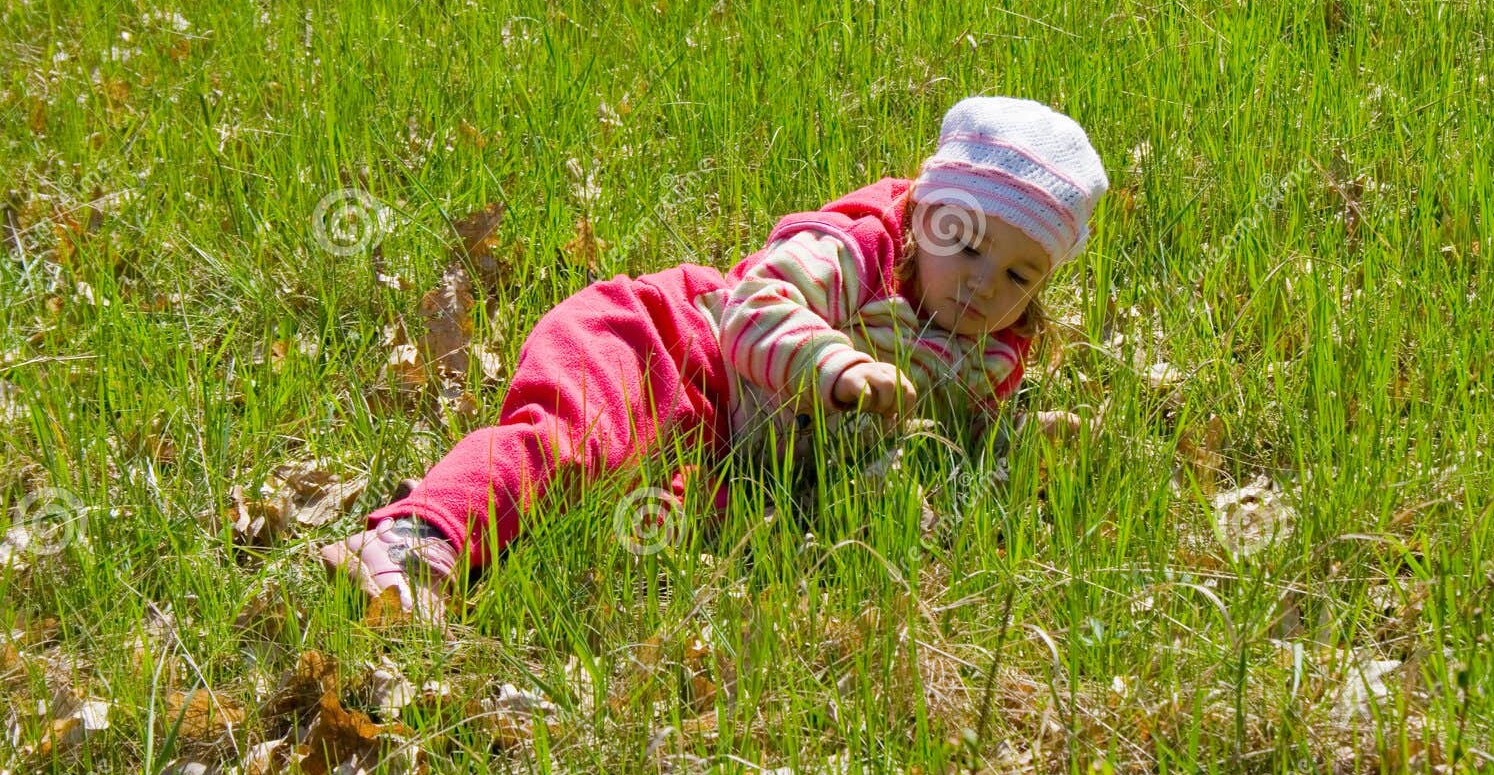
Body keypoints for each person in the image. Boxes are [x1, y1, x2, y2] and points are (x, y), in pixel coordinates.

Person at [319, 95, 1110, 624]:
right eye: (965, 245)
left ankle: (493, 543)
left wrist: (1011, 443)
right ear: (925, 214)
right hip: (667, 341)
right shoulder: (854, 250)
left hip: (726, 437)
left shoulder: (987, 346)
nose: (982, 285)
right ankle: (419, 533)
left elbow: (942, 440)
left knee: (674, 517)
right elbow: (755, 311)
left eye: (1018, 274)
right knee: (582, 438)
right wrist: (836, 366)